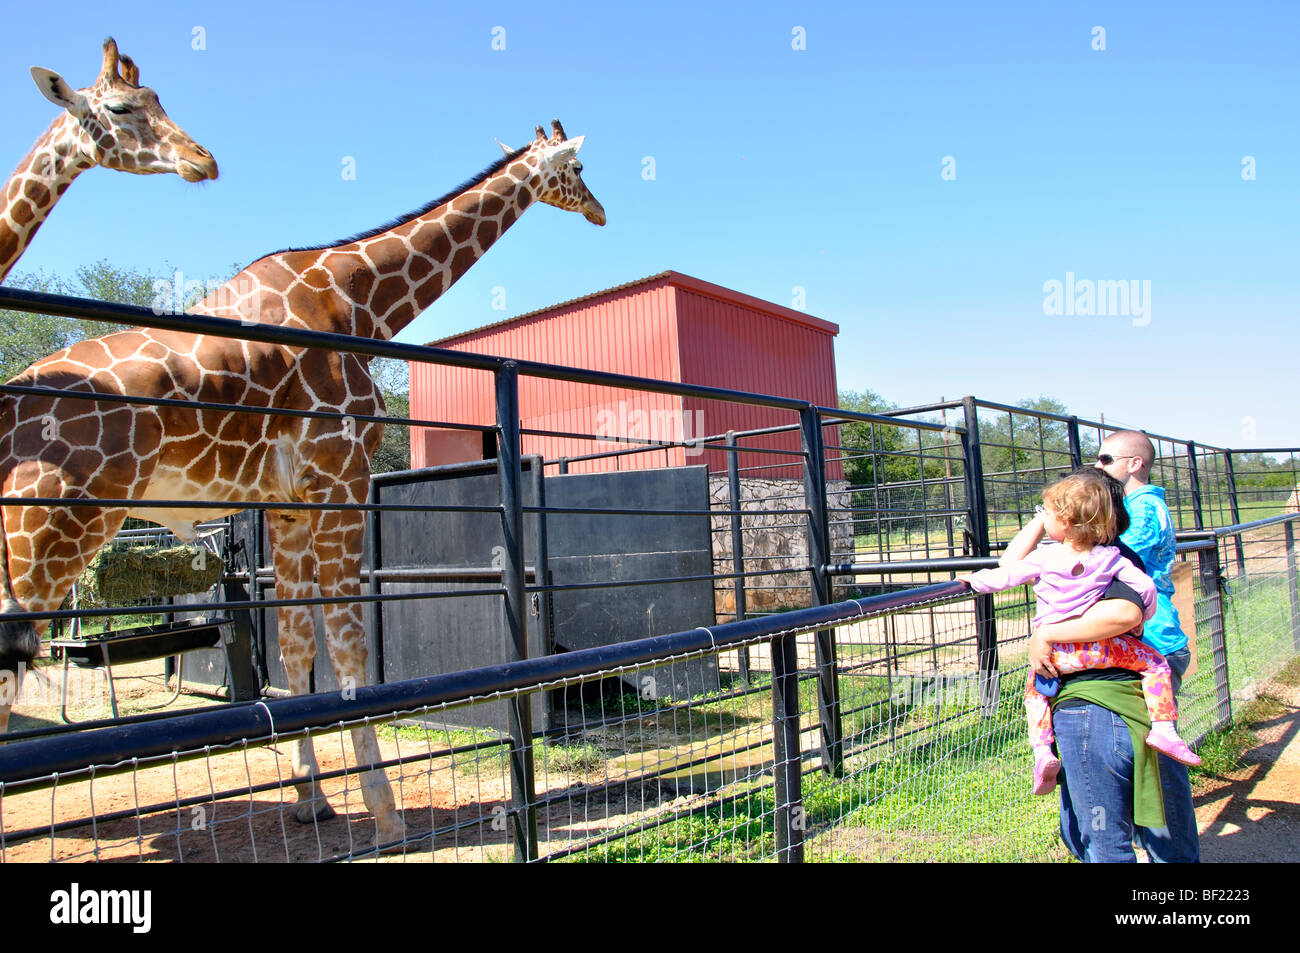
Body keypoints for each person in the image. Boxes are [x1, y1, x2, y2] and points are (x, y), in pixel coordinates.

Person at [1012, 440, 1201, 862]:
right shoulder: (1074, 553)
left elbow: (1124, 611)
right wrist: (1041, 522)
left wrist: (1048, 634)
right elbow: (1009, 564)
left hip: (1103, 692)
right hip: (1099, 687)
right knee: (1103, 818)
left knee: (1108, 831)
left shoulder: (1108, 556)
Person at [960, 472, 1199, 799]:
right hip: (1105, 650)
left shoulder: (1047, 558)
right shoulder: (1110, 558)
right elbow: (1145, 587)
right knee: (1157, 666)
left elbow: (1007, 573)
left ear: (1065, 521)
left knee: (1034, 694)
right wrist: (1146, 614)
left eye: (1047, 513)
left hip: (1057, 653)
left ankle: (1042, 751)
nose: (1043, 519)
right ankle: (1165, 729)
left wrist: (972, 582)